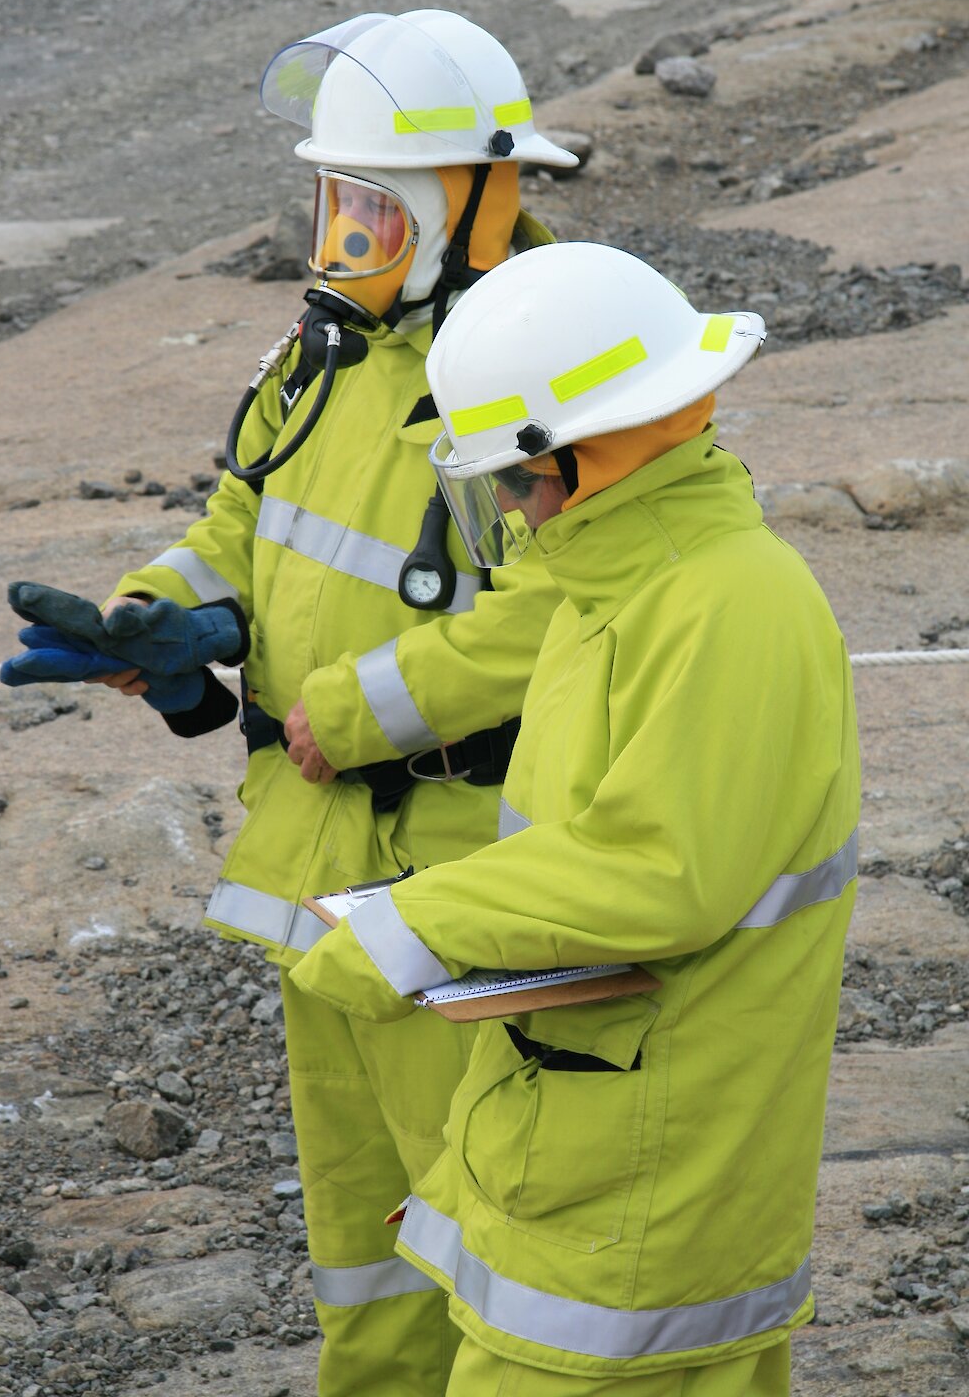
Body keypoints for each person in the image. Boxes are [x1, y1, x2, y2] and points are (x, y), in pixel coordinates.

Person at [0, 11, 578, 1397]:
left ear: (474, 205)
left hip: (463, 879)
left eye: (376, 214)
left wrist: (350, 711)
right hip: (322, 876)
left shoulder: (545, 365)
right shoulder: (320, 360)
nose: (344, 242)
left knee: (481, 1222)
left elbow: (567, 601)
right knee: (364, 1241)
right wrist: (166, 615)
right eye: (337, 208)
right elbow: (244, 520)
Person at [289, 242, 861, 1396]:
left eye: (515, 480)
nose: (508, 509)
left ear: (584, 457)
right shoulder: (621, 585)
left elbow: (656, 872)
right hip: (597, 1127)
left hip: (650, 1176)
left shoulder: (722, 604)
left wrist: (412, 924)